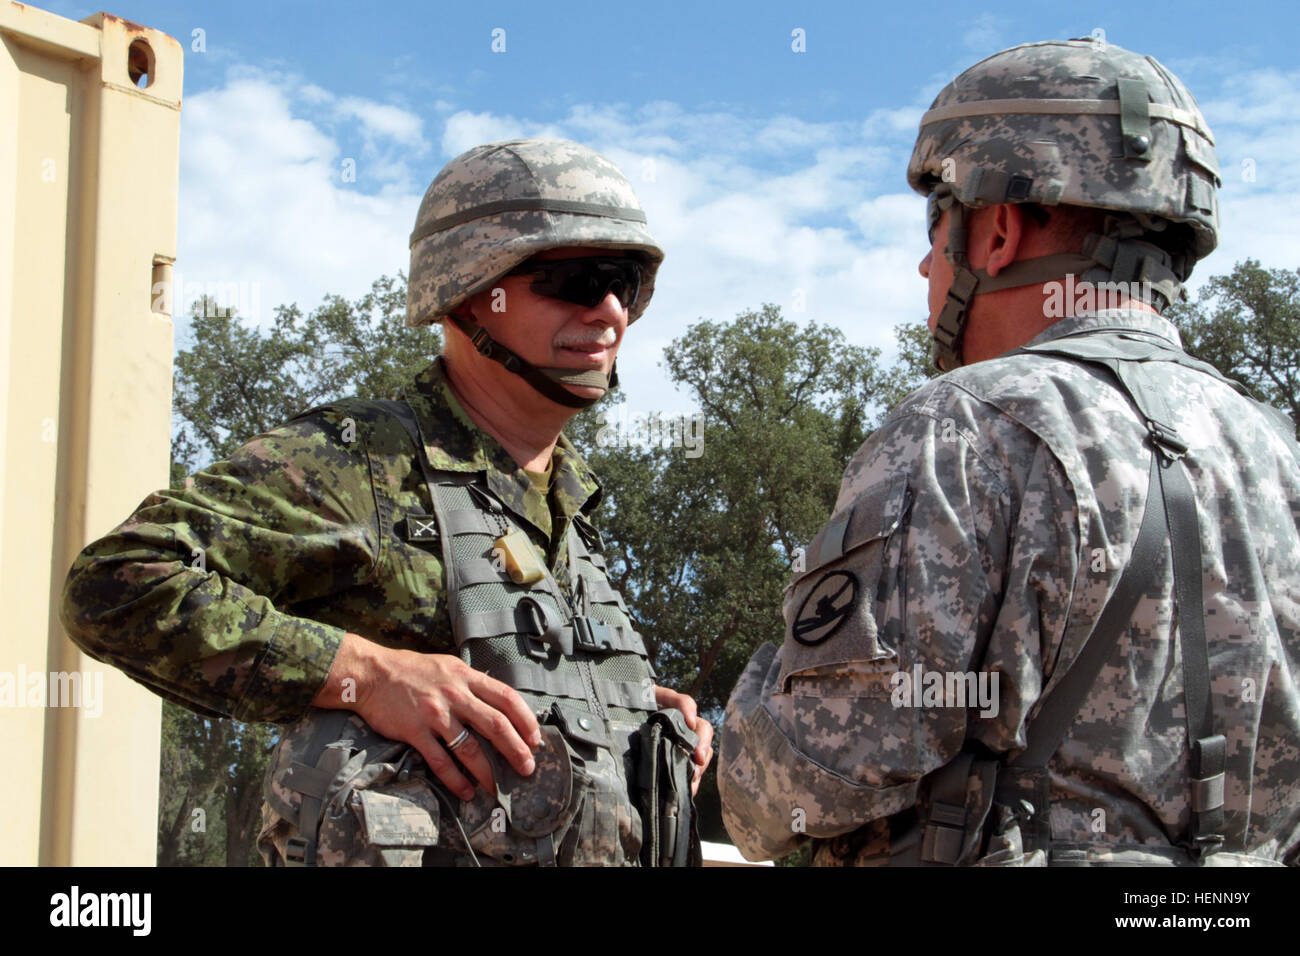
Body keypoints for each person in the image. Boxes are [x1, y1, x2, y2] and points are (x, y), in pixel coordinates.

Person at [718, 39, 1300, 866]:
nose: (927, 261)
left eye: (938, 224)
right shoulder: (1278, 451)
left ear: (997, 231)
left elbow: (806, 781)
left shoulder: (969, 425)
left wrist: (752, 710)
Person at [61, 138, 713, 867]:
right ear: (468, 291)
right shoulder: (366, 458)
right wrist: (362, 675)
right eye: (576, 279)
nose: (610, 311)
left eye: (625, 281)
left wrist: (616, 710)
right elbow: (117, 581)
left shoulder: (569, 497)